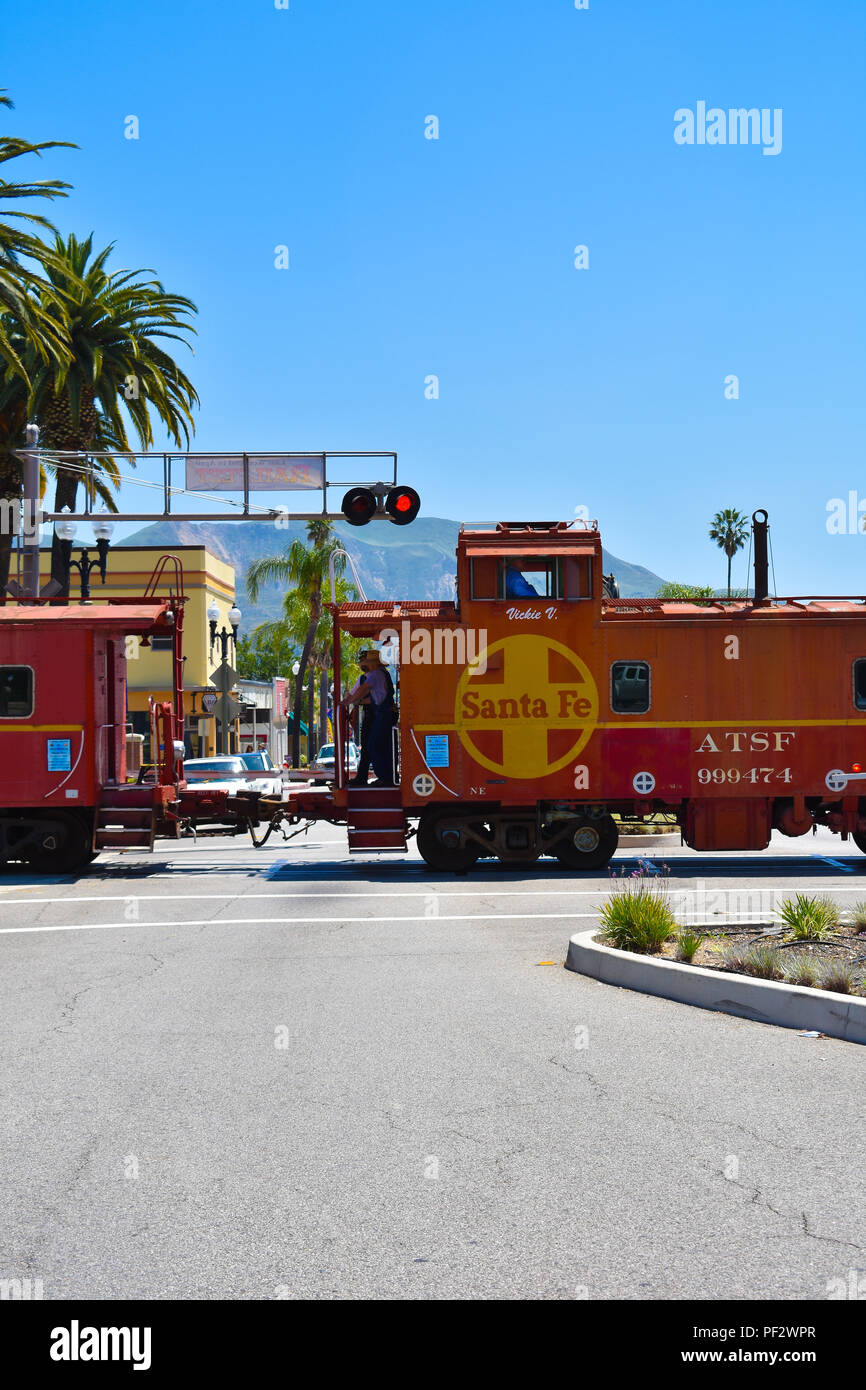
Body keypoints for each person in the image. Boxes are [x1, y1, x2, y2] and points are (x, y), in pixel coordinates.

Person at [341, 647, 397, 784]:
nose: (365, 665)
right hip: (381, 714)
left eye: (366, 662)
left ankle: (385, 778)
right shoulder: (380, 674)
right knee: (380, 746)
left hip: (381, 714)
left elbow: (362, 690)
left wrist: (348, 702)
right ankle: (386, 777)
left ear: (373, 663)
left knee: (374, 745)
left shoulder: (375, 674)